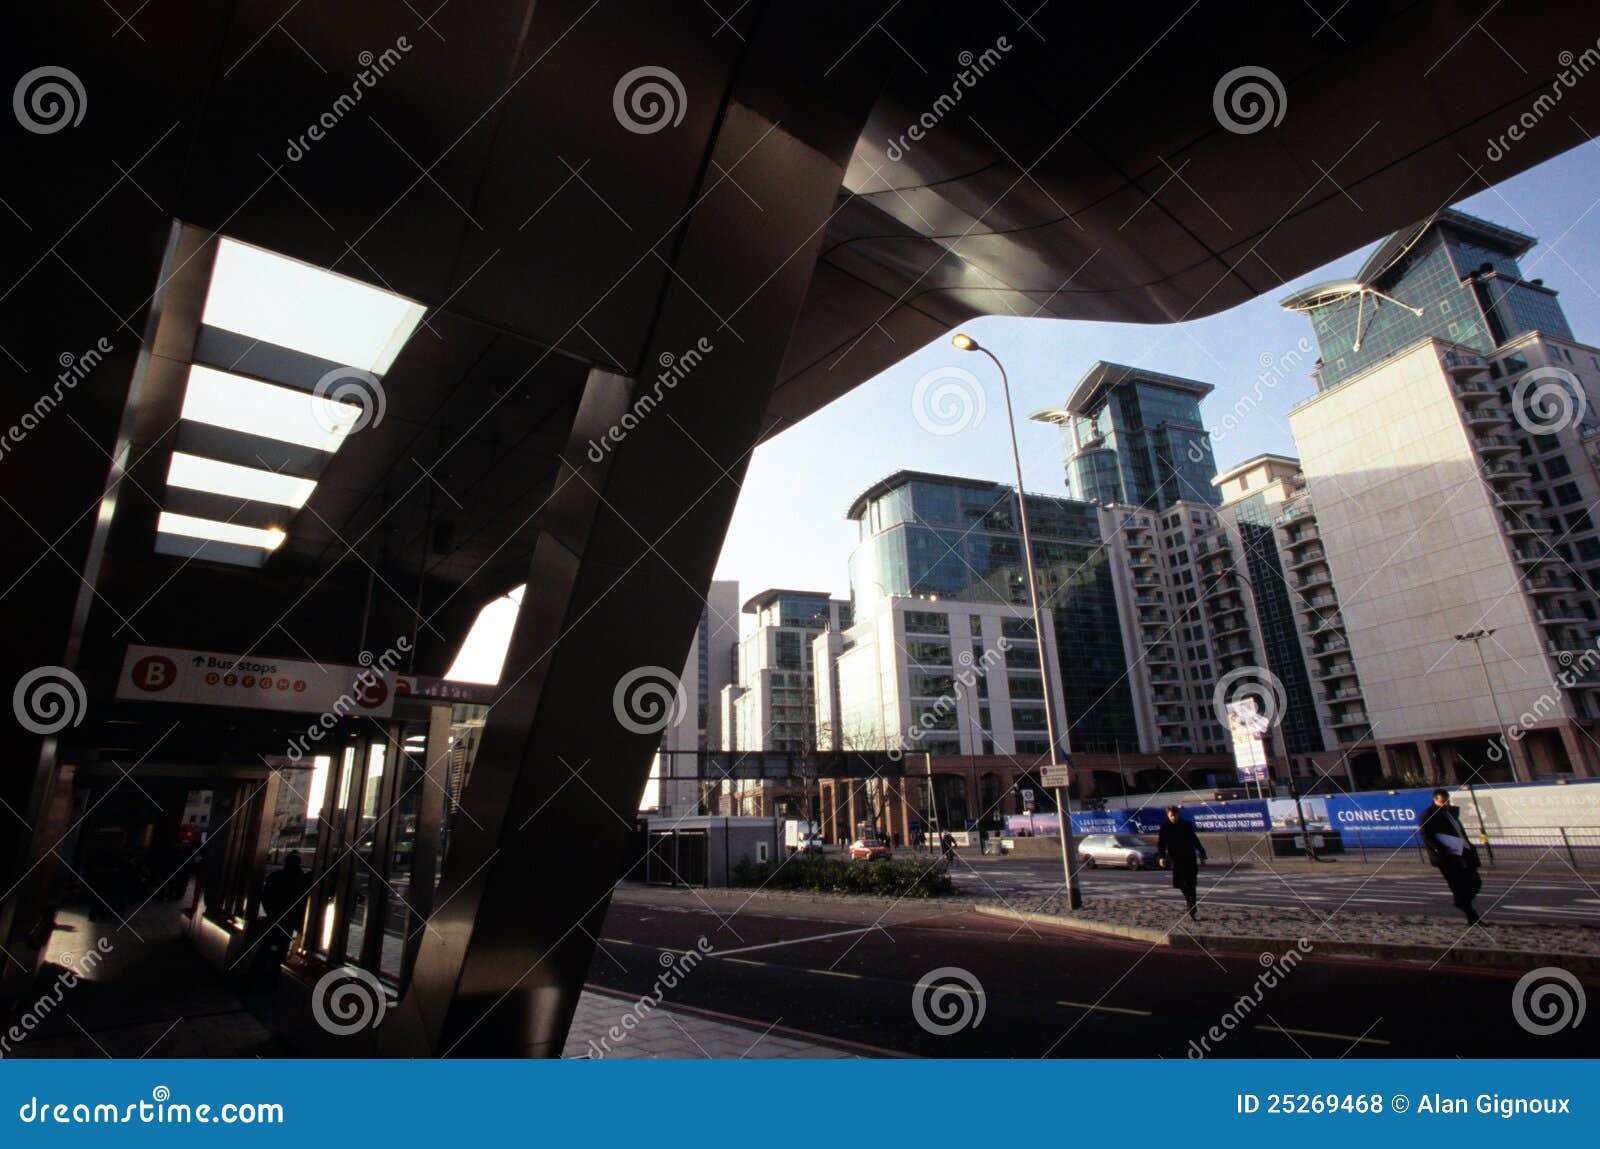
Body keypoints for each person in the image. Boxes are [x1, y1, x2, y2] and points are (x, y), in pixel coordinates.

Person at [1418, 789, 1484, 925]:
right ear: (1435, 800)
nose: (1445, 804)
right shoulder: (1428, 814)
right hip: (1446, 857)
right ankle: (1472, 917)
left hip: (1462, 851)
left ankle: (1462, 903)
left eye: (1446, 801)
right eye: (1442, 801)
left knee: (1475, 882)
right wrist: (1441, 849)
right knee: (1458, 885)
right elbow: (1426, 834)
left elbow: (1459, 831)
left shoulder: (1450, 813)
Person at [1156, 806, 1207, 920]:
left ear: (1178, 814)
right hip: (1176, 858)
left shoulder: (1186, 825)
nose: (1173, 818)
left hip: (1189, 857)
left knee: (1192, 883)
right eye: (1171, 816)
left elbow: (1194, 839)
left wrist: (1202, 853)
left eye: (1175, 815)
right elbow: (1161, 843)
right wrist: (1161, 857)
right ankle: (1190, 903)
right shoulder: (1165, 827)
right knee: (1180, 883)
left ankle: (1192, 909)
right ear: (1168, 815)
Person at [260, 853, 312, 946]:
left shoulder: (275, 877)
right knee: (282, 946)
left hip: (274, 918)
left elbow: (266, 898)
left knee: (267, 945)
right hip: (290, 921)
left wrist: (271, 913)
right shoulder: (302, 881)